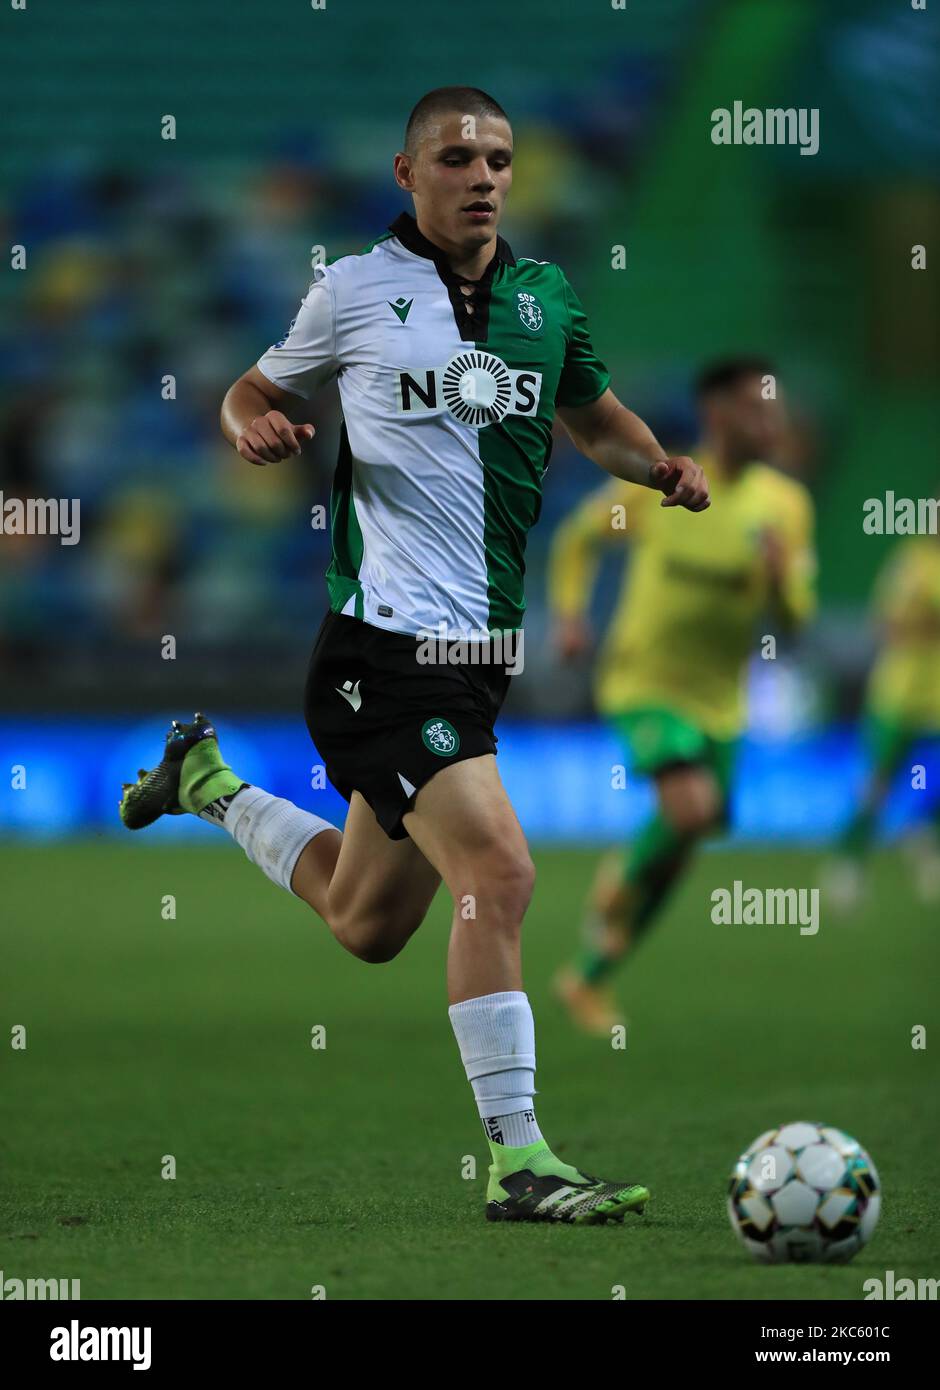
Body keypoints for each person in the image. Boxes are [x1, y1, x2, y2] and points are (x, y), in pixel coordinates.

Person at [120, 86, 709, 1224]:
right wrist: (251, 421)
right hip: (381, 655)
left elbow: (595, 420)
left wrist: (661, 467)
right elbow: (255, 384)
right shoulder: (351, 291)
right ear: (408, 174)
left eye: (497, 157)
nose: (482, 175)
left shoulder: (546, 300)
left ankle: (209, 783)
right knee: (501, 875)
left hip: (476, 661)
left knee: (367, 923)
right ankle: (520, 1160)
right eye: (457, 157)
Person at [550, 358, 815, 1035]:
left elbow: (796, 622)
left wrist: (784, 581)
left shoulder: (786, 506)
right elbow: (577, 541)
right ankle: (615, 885)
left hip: (722, 702)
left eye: (776, 408)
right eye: (760, 408)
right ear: (719, 414)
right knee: (689, 808)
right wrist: (572, 615)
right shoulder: (659, 481)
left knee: (688, 837)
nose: (774, 422)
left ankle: (587, 976)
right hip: (643, 681)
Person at [824, 529, 940, 908]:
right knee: (879, 782)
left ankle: (920, 837)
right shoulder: (913, 563)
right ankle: (849, 864)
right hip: (901, 692)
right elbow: (884, 624)